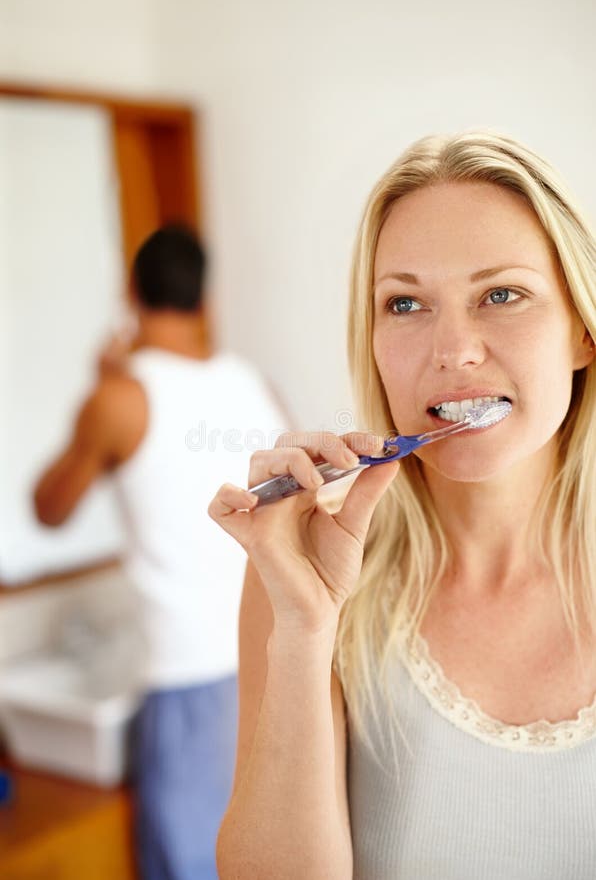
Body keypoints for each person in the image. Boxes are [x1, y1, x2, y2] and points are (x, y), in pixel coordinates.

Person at [208, 130, 596, 879]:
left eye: (503, 294)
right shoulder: (300, 577)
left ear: (582, 328)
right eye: (407, 302)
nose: (452, 350)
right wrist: (303, 628)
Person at [33, 224, 287, 880]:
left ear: (131, 292)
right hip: (271, 653)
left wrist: (97, 391)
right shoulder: (251, 383)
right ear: (205, 297)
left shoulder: (119, 398)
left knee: (189, 862)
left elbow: (49, 509)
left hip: (186, 673)